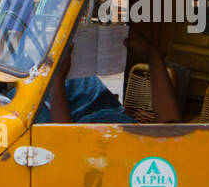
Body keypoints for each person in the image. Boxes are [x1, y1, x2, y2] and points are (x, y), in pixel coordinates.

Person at [45, 30, 181, 123]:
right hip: (106, 115)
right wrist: (152, 53)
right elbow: (170, 129)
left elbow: (65, 142)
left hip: (77, 118)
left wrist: (58, 77)